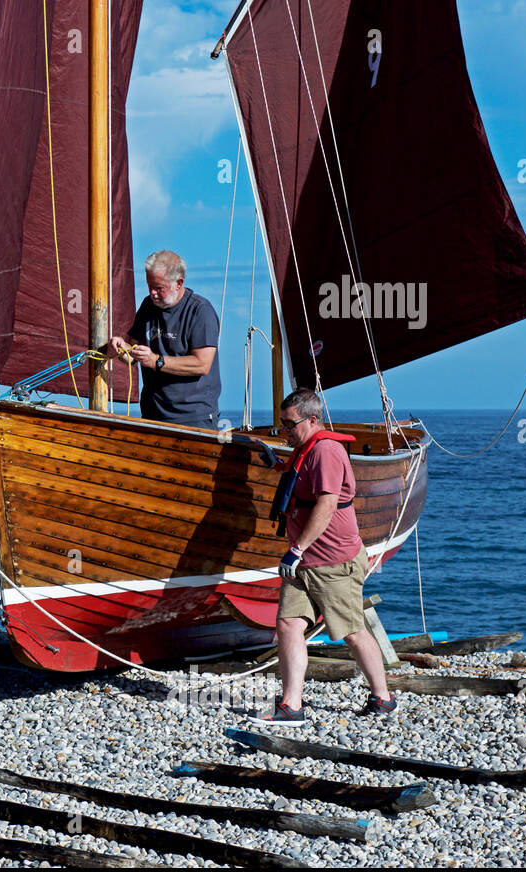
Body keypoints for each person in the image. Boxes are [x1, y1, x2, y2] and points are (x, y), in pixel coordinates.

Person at [250, 388, 395, 725]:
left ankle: (383, 697)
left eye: (290, 424)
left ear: (312, 420)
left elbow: (327, 504)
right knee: (288, 625)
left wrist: (296, 549)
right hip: (303, 561)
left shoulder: (326, 451)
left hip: (332, 561)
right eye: (282, 425)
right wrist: (275, 463)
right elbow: (298, 481)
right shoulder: (305, 448)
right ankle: (291, 706)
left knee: (351, 630)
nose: (285, 431)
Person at [107, 250, 221, 428]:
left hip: (193, 419)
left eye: (159, 288)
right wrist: (120, 348)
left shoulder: (200, 311)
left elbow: (202, 364)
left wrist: (156, 361)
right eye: (149, 286)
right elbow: (132, 355)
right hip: (152, 415)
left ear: (178, 283)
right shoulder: (147, 306)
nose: (152, 293)